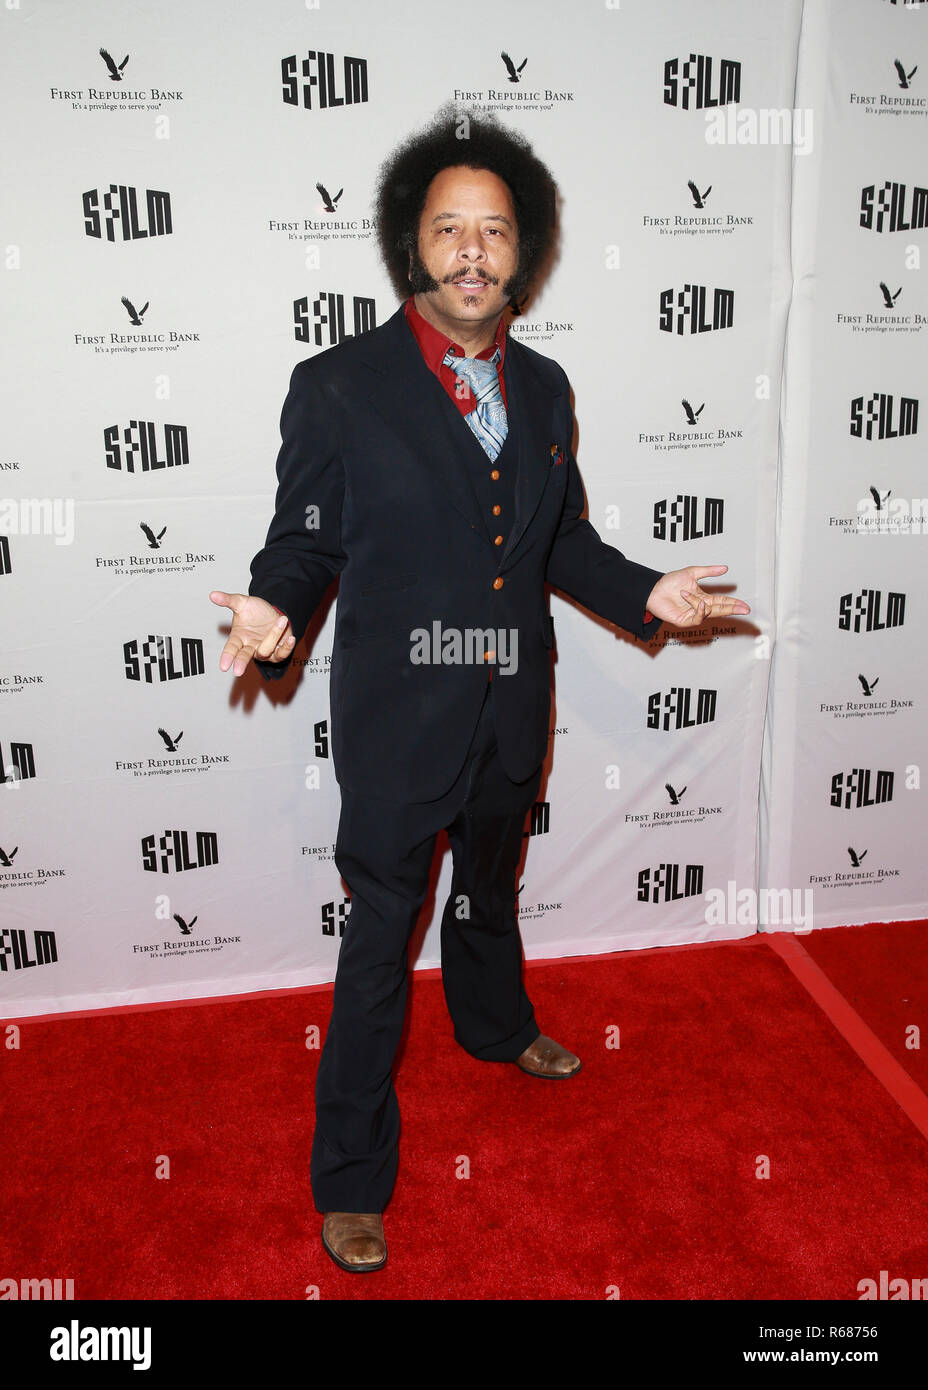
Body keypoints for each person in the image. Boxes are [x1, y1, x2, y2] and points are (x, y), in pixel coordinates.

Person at [209, 105, 750, 1273]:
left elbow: (555, 539)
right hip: (400, 719)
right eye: (447, 229)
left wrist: (647, 589)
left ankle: (496, 1025)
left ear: (524, 250)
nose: (470, 250)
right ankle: (351, 1175)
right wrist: (275, 609)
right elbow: (306, 537)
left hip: (511, 705)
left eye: (493, 232)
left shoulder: (547, 387)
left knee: (491, 889)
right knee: (373, 945)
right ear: (413, 246)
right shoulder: (339, 384)